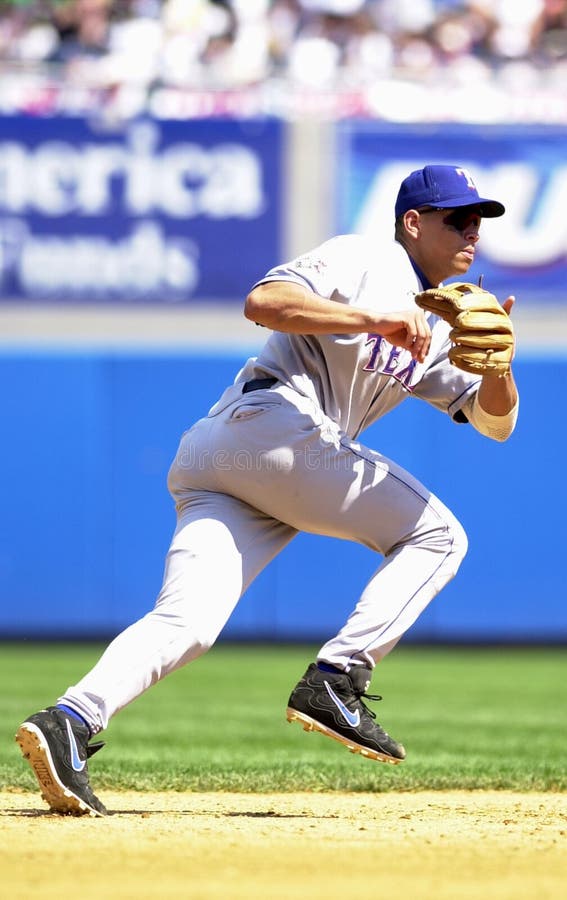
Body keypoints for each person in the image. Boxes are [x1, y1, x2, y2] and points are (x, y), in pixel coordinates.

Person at [16, 164, 519, 816]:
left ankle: (68, 722)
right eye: (456, 217)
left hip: (240, 461)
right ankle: (338, 679)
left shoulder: (445, 322)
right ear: (412, 222)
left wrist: (499, 368)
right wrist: (371, 317)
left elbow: (493, 421)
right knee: (437, 535)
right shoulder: (363, 258)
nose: (470, 231)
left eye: (478, 220)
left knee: (188, 623)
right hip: (269, 427)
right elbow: (263, 302)